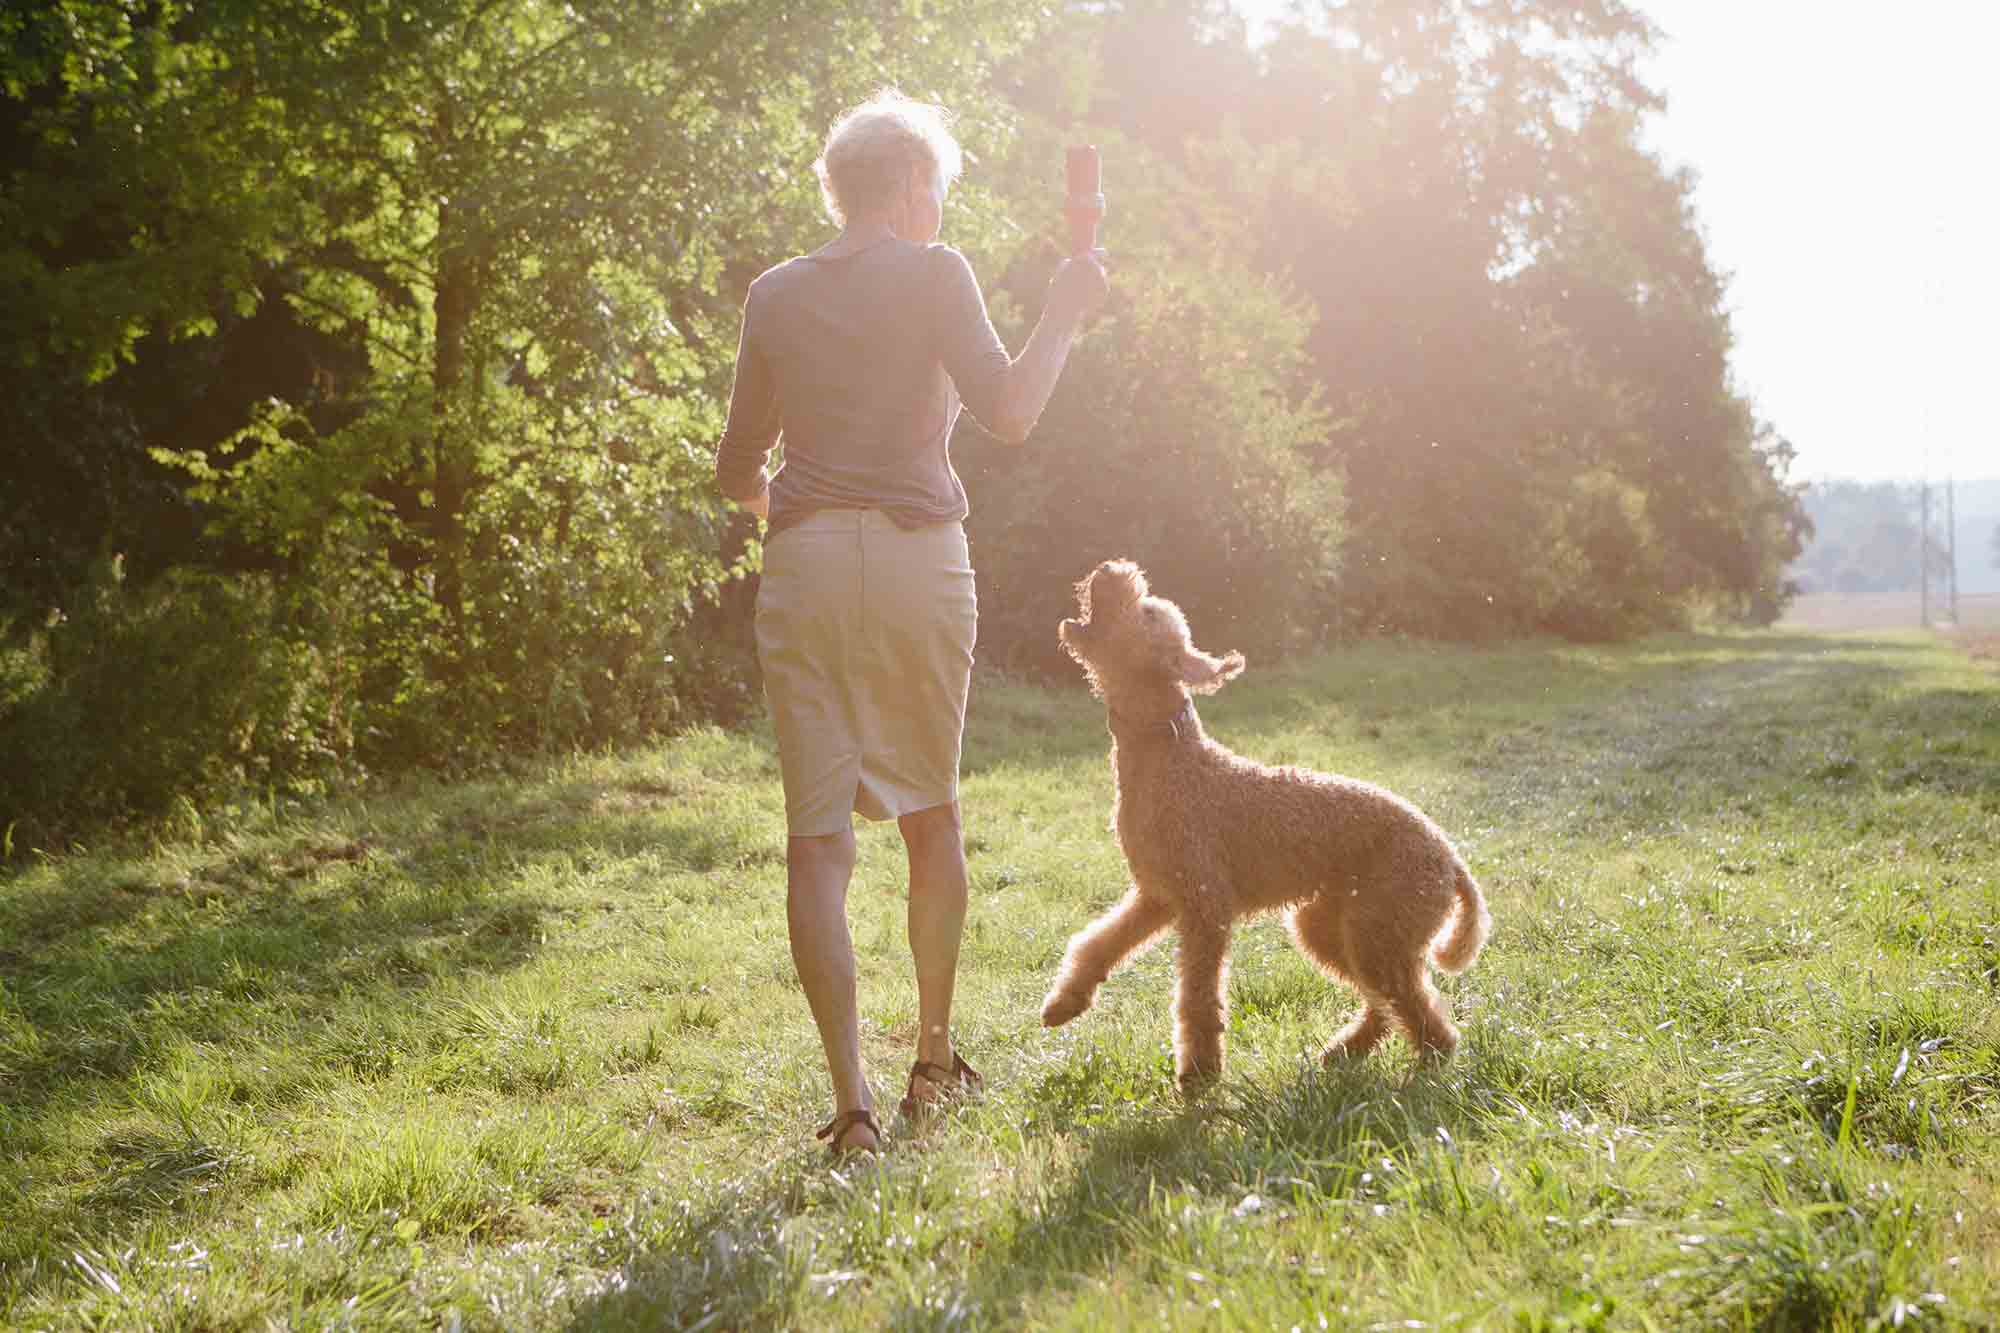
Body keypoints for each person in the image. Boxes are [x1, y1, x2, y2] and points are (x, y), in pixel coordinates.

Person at [713, 89, 1109, 1156]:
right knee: (930, 813)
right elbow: (1013, 411)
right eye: (935, 186)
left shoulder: (773, 294)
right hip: (915, 560)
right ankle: (930, 1063)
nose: (937, 206)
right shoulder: (935, 272)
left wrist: (800, 513)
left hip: (799, 565)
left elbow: (733, 467)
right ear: (909, 186)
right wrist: (1067, 306)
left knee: (816, 836)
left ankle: (850, 1108)